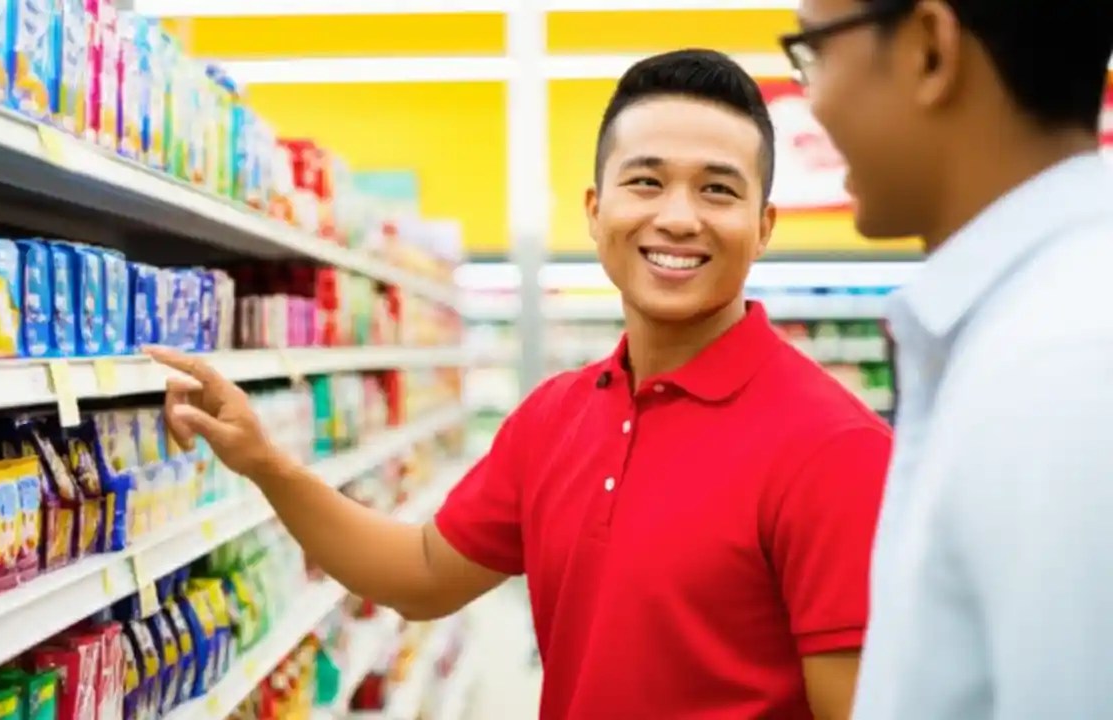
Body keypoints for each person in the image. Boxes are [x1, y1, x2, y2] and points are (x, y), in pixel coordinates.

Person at [146, 50, 892, 719]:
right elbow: (423, 574)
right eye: (646, 181)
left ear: (763, 227)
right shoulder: (555, 419)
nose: (677, 216)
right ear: (597, 212)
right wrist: (267, 465)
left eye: (717, 191)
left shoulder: (836, 449)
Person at [782, 1, 1113, 717]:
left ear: (930, 49)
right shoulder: (1023, 334)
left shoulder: (1061, 369)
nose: (812, 101)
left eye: (813, 51)